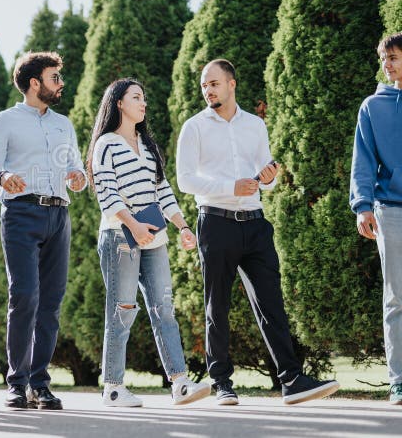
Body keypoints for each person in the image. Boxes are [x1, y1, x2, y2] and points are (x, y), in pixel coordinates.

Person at [176, 58, 340, 405]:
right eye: (204, 85)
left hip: (255, 223)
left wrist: (269, 177)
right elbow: (185, 179)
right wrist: (230, 186)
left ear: (232, 84)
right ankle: (221, 383)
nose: (208, 90)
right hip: (215, 222)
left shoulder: (254, 125)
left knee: (271, 304)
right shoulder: (194, 127)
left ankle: (292, 380)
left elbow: (266, 175)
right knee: (216, 306)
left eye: (214, 83)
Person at [88, 78, 210, 407]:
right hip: (119, 237)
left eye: (144, 97)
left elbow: (163, 191)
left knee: (164, 310)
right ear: (119, 104)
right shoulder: (106, 144)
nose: (143, 103)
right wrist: (133, 224)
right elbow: (106, 192)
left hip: (154, 239)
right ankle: (113, 388)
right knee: (122, 311)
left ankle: (180, 384)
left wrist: (183, 227)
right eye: (136, 97)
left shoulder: (147, 145)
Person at [0, 51, 86, 410]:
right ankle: (17, 383)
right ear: (34, 83)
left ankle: (40, 383)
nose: (61, 84)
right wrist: (3, 176)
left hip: (59, 216)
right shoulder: (4, 121)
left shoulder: (64, 124)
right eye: (55, 77)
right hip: (21, 213)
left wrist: (79, 177)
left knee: (51, 304)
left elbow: (76, 170)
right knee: (25, 297)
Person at [350, 32, 402, 405]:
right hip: (391, 210)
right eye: (384, 58)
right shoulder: (372, 106)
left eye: (394, 57)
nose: (387, 64)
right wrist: (362, 205)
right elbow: (363, 160)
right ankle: (399, 380)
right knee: (396, 297)